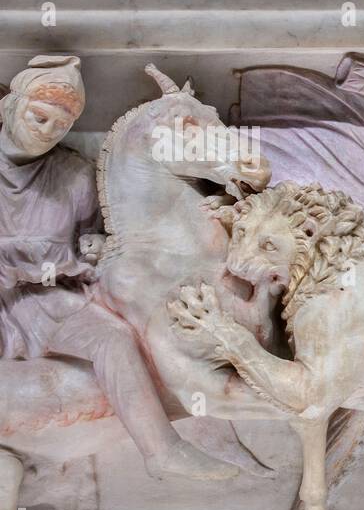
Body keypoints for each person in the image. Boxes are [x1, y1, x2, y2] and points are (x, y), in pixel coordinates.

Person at [0, 55, 237, 481]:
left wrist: (93, 250)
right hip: (8, 308)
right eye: (40, 116)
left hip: (60, 300)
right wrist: (34, 263)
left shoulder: (73, 175)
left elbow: (100, 238)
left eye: (62, 125)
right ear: (10, 108)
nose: (49, 130)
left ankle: (164, 449)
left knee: (117, 335)